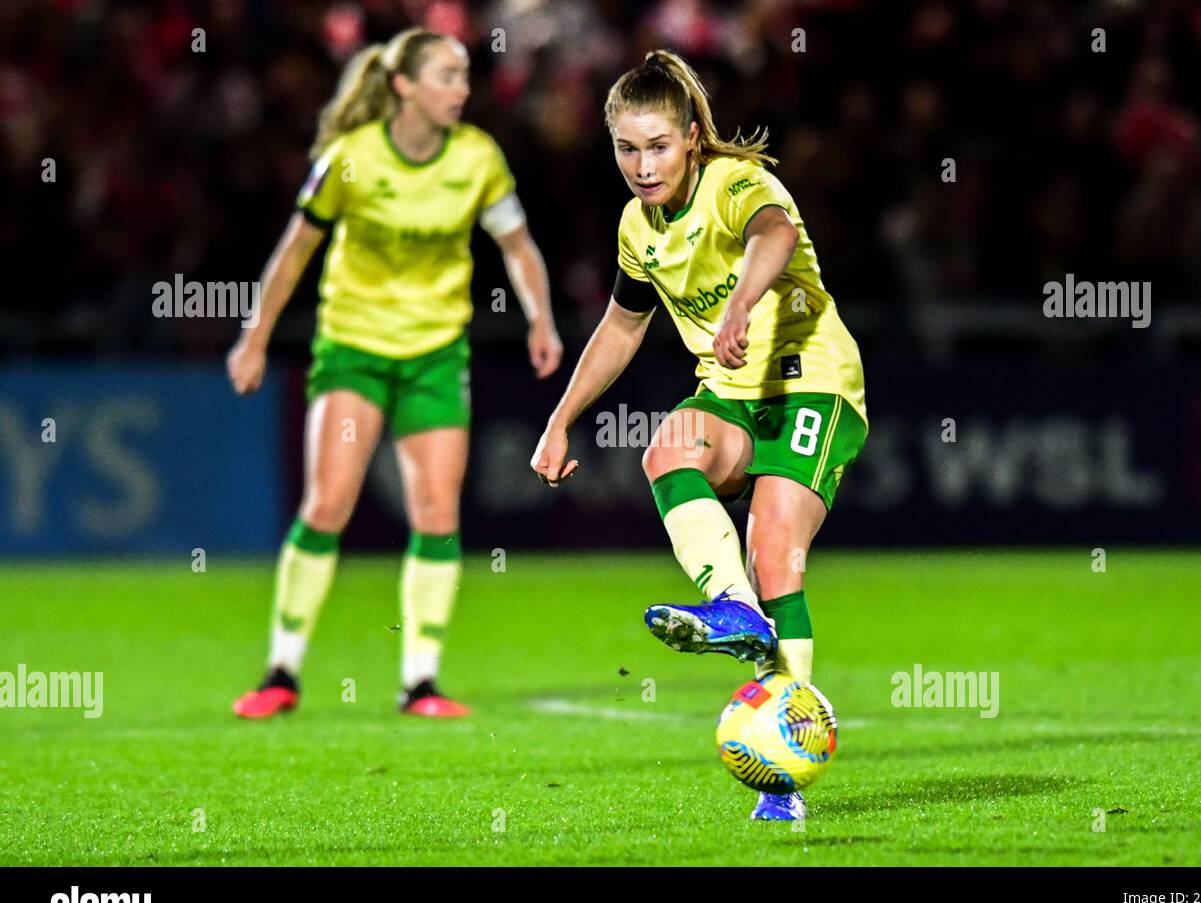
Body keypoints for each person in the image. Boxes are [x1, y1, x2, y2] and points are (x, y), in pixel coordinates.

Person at [530, 50, 866, 821]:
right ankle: (731, 612)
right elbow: (620, 327)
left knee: (774, 549)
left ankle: (784, 781)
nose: (642, 166)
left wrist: (743, 305)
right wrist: (561, 417)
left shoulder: (734, 183)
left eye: (657, 146)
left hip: (810, 376)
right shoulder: (636, 229)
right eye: (626, 148)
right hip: (732, 389)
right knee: (666, 448)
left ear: (689, 138)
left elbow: (774, 234)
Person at [228, 28, 562, 719]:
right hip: (354, 348)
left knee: (437, 515)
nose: (461, 90)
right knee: (327, 506)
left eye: (465, 76)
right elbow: (294, 252)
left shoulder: (478, 159)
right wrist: (254, 337)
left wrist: (540, 318)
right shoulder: (351, 159)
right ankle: (281, 672)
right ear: (404, 85)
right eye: (445, 76)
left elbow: (519, 245)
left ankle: (421, 683)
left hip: (436, 355)